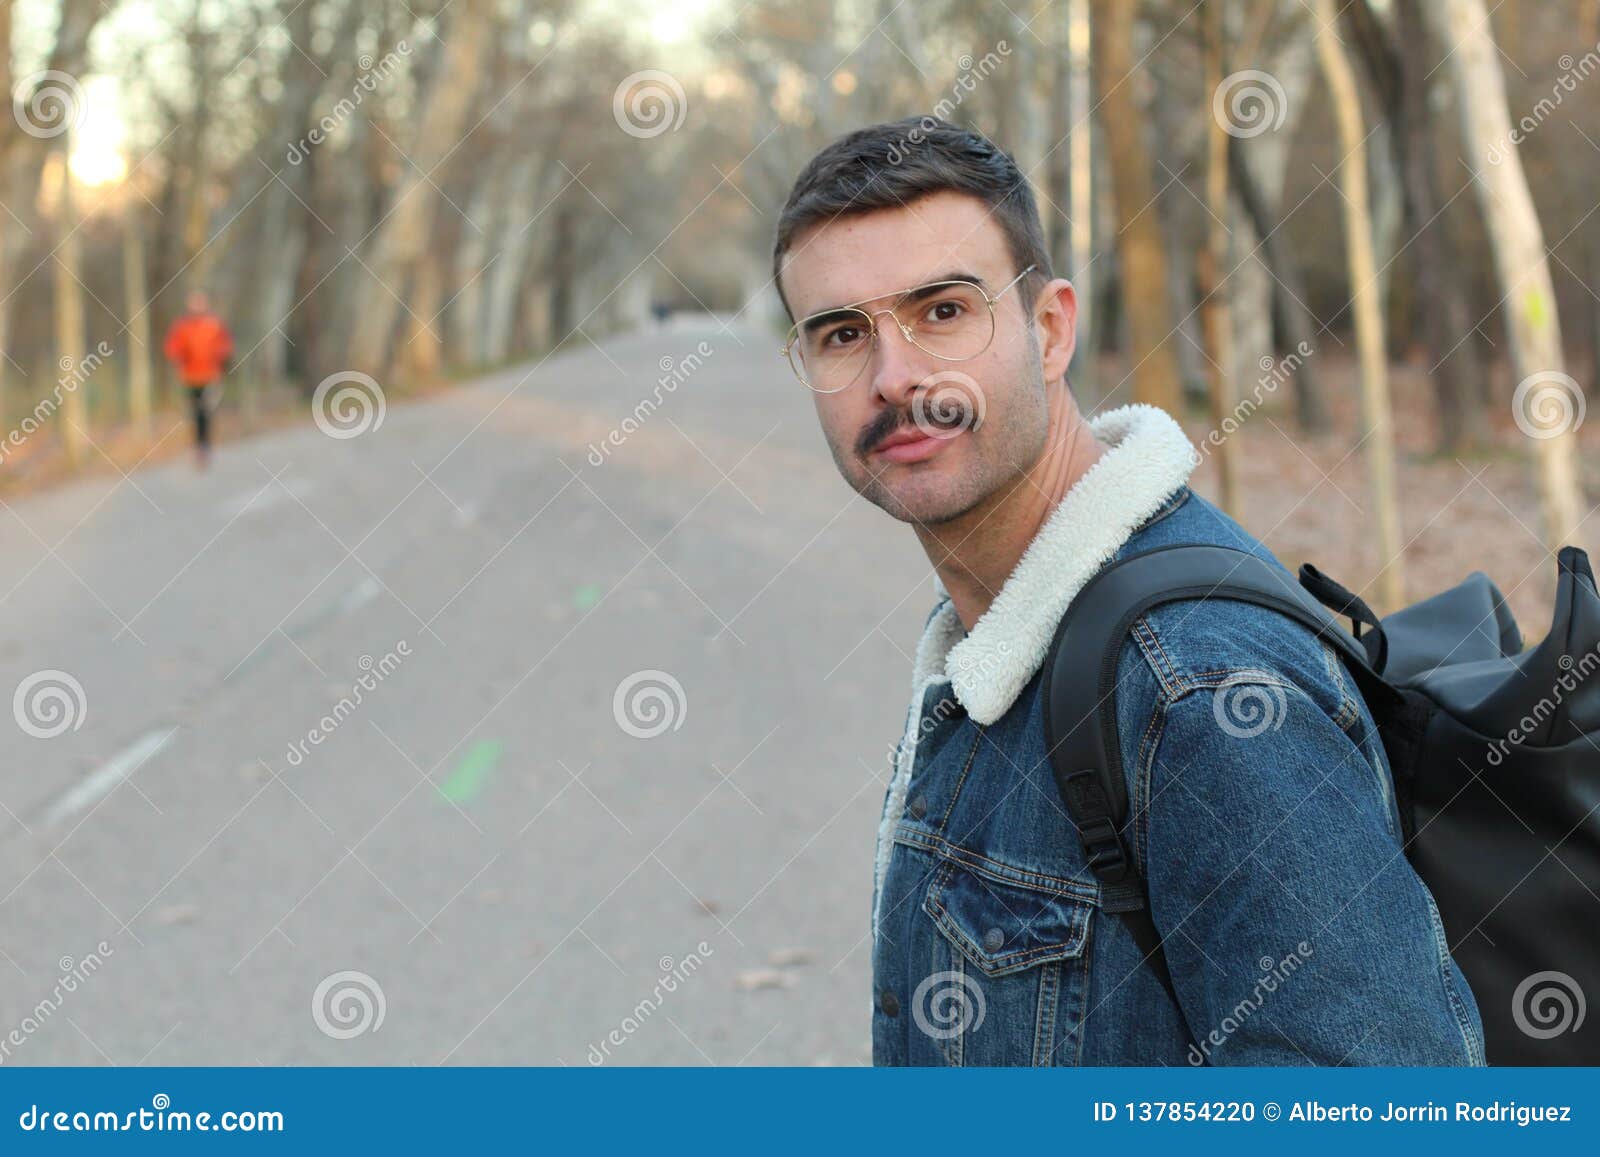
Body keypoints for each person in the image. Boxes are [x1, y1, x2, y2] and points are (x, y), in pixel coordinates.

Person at [772, 117, 1484, 1066]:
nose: (896, 378)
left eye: (943, 310)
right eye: (842, 334)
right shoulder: (1015, 629)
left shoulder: (1196, 685)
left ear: (1052, 328)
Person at [162, 290, 234, 467]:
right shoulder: (182, 326)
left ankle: (205, 446)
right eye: (193, 303)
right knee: (194, 412)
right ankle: (198, 445)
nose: (196, 306)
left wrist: (220, 356)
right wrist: (177, 355)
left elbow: (226, 345)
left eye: (199, 302)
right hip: (190, 377)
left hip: (210, 376)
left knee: (206, 411)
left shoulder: (214, 324)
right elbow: (172, 346)